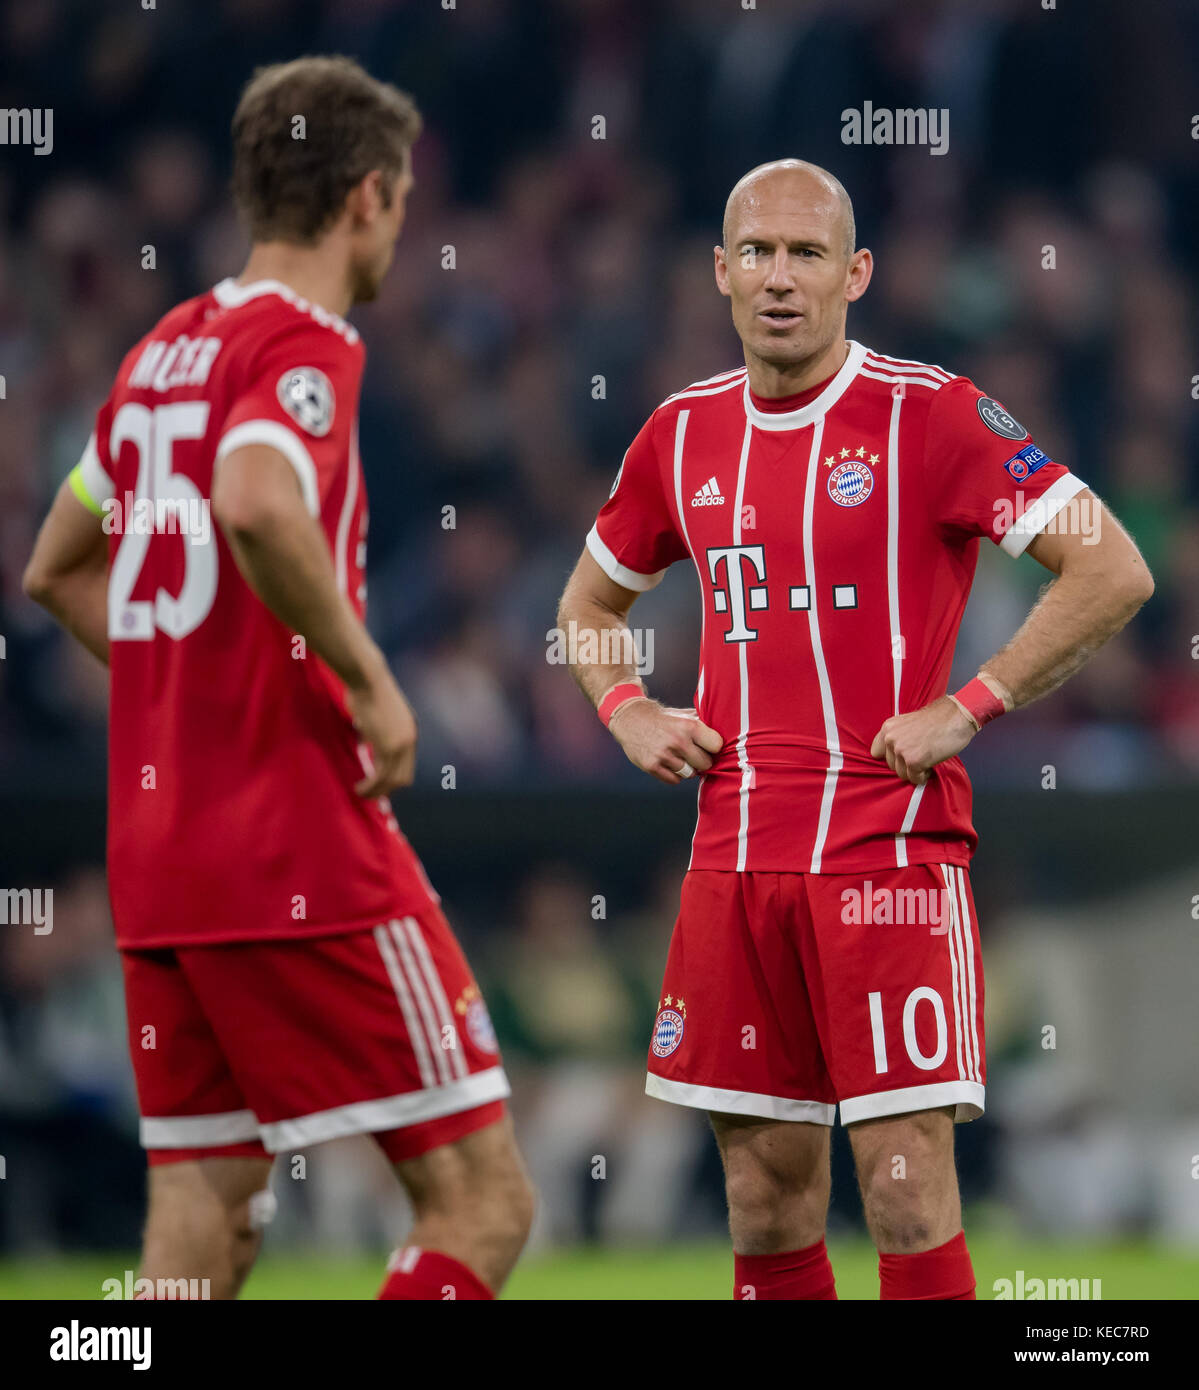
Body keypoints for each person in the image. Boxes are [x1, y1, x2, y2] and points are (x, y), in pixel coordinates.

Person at [557, 158, 1154, 1300]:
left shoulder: (928, 413)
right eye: (760, 254)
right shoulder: (676, 435)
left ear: (855, 273)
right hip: (732, 858)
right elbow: (587, 608)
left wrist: (970, 703)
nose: (781, 279)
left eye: (808, 254)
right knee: (763, 1198)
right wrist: (625, 706)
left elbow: (1111, 565)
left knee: (901, 1184)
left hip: (884, 852)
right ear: (719, 271)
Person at [23, 56, 534, 1302]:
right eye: (402, 205)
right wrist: (370, 681)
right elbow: (256, 494)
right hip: (292, 840)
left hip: (156, 857)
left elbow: (55, 566)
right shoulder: (306, 348)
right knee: (482, 1202)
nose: (399, 233)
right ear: (365, 197)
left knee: (201, 1229)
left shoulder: (159, 357)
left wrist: (189, 684)